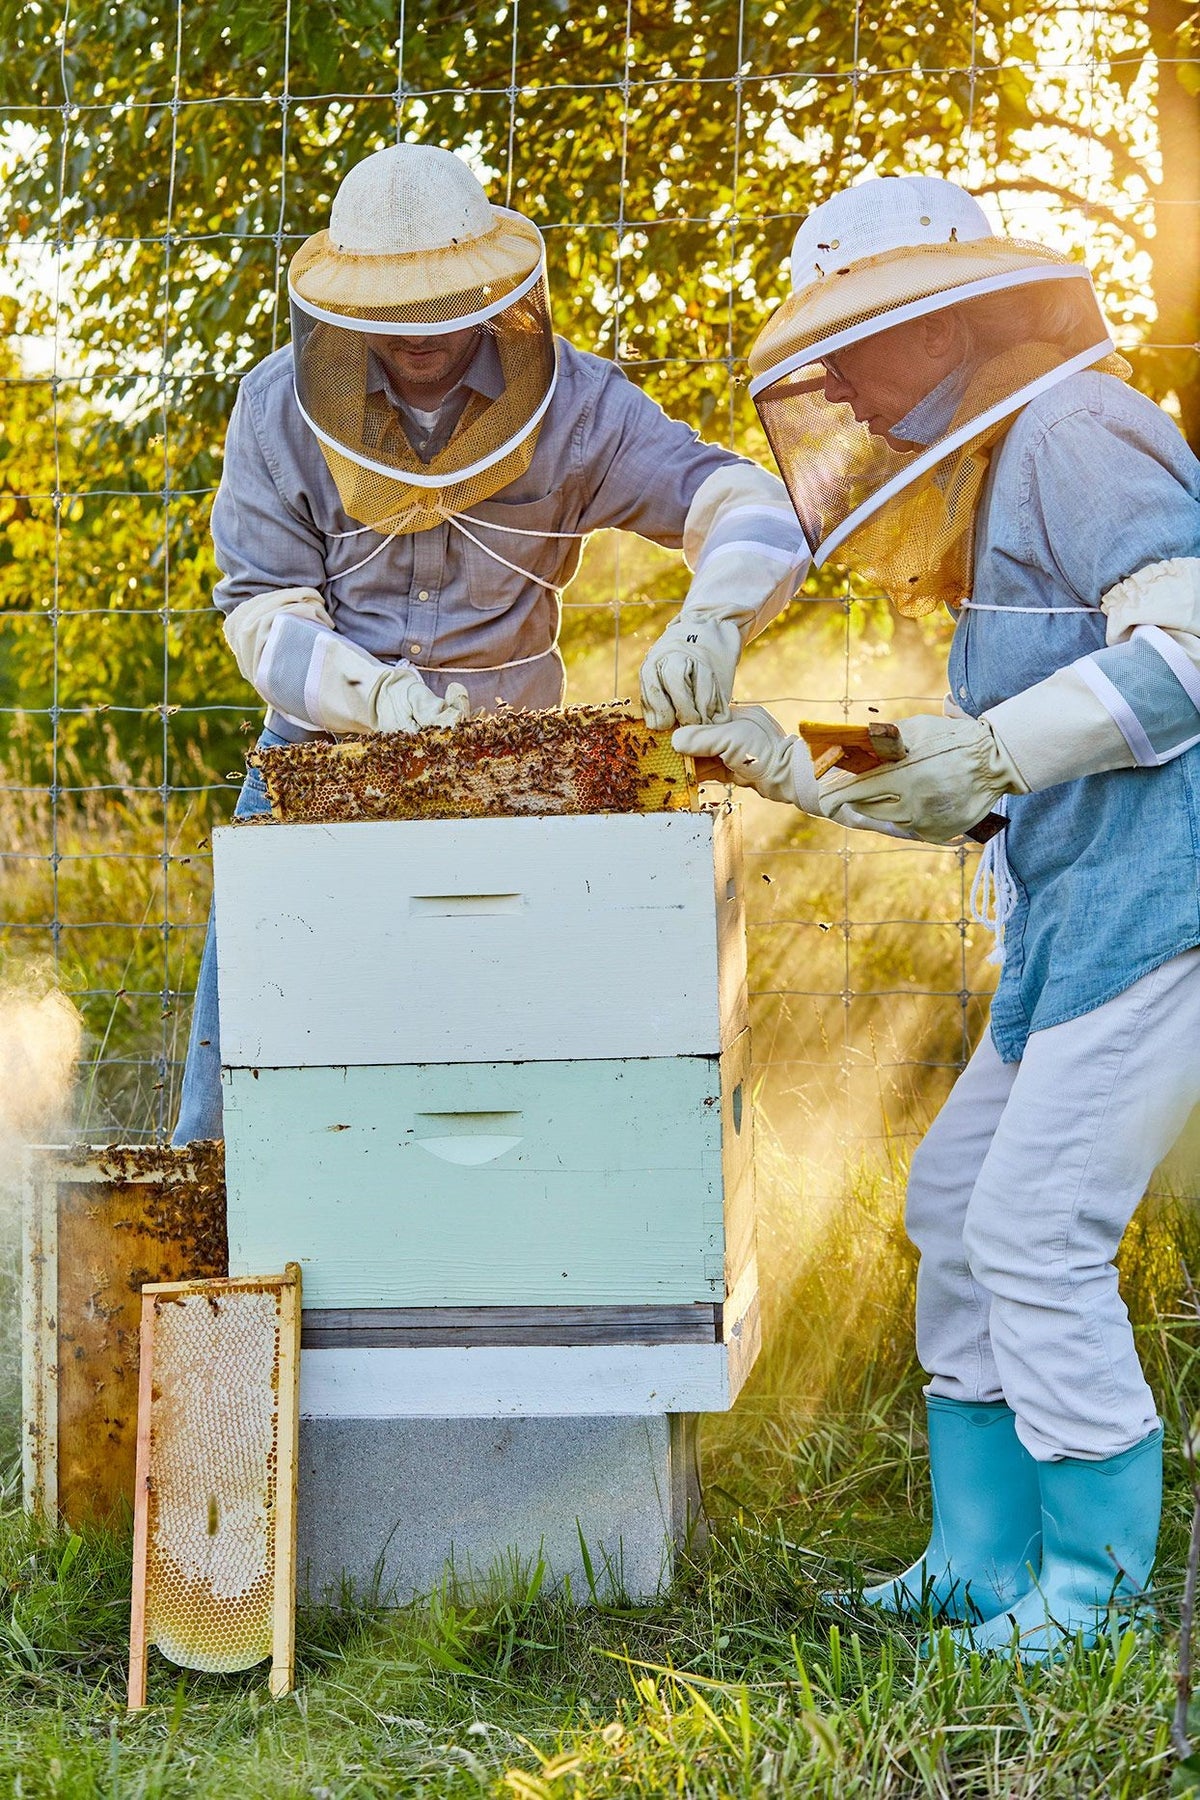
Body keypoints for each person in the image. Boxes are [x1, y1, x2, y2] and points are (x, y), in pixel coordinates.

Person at [677, 174, 1200, 1658]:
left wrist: (995, 752)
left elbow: (1191, 644)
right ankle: (982, 1562)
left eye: (853, 340)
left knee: (1036, 1227)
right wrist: (794, 755)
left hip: (1169, 910)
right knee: (959, 1211)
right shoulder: (1001, 475)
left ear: (943, 314)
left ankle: (1088, 1612)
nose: (832, 381)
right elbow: (982, 788)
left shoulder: (1080, 435)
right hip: (1075, 926)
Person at [172, 142, 810, 1144]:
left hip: (521, 769)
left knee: (529, 1081)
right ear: (344, 303)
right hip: (316, 763)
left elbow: (749, 506)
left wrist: (714, 617)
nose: (422, 331)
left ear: (491, 283)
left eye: (444, 298)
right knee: (235, 1096)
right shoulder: (276, 408)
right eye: (395, 305)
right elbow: (260, 613)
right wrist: (372, 699)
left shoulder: (580, 405)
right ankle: (228, 1290)